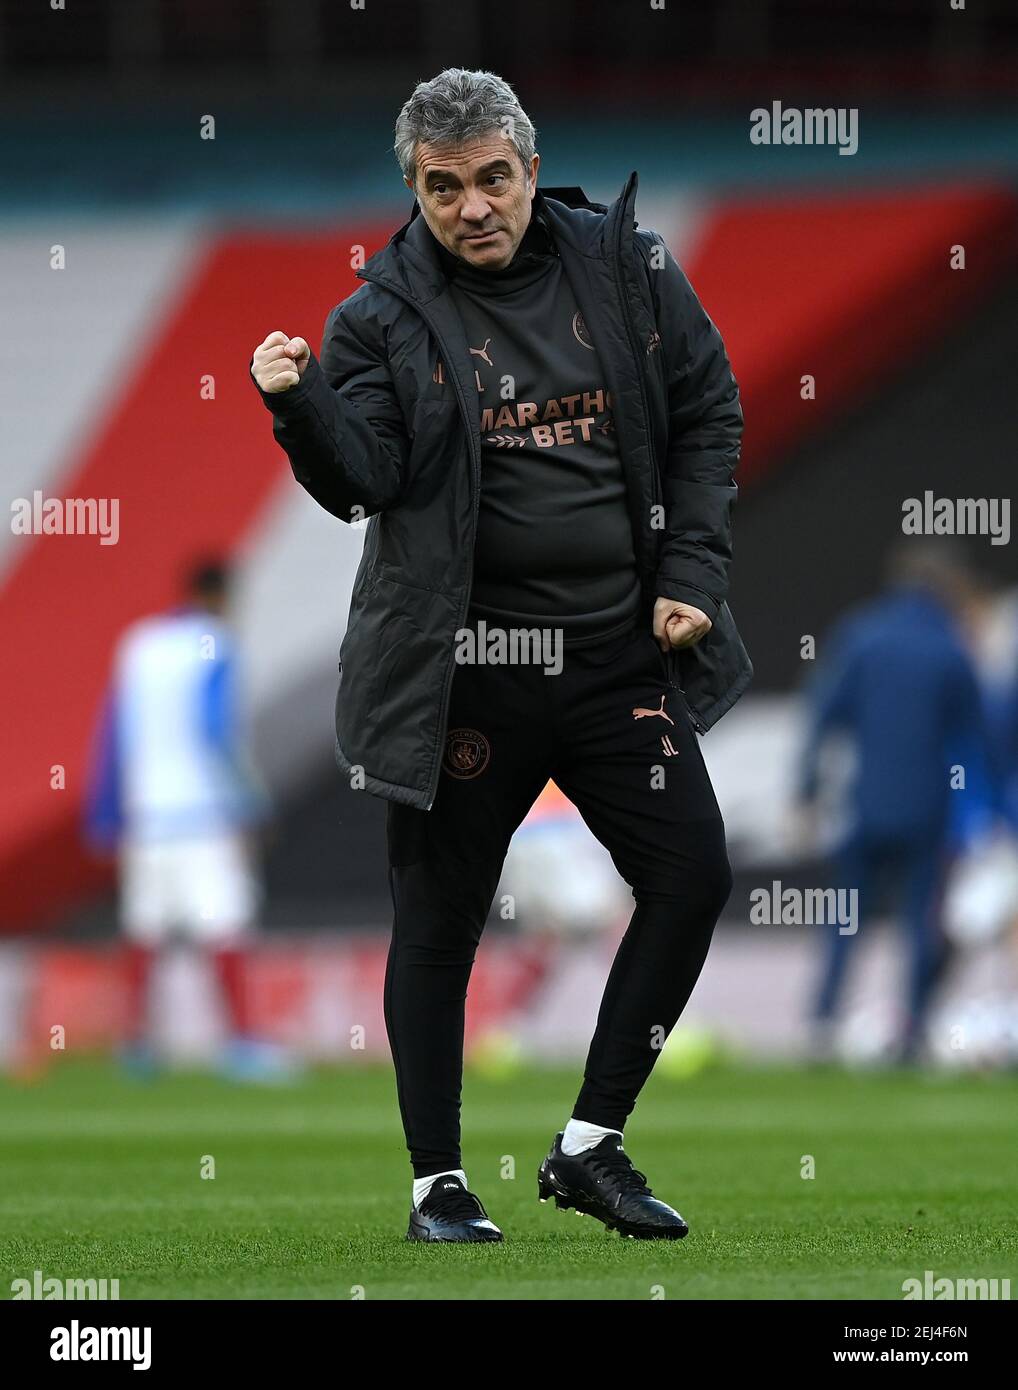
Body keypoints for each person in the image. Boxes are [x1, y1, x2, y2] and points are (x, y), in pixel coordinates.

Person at [250, 68, 750, 1241]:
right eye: (441, 188)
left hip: (615, 656)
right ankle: (438, 1187)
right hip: (461, 668)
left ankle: (590, 1145)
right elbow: (359, 482)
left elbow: (710, 408)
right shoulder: (374, 316)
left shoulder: (629, 268)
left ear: (529, 168)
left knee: (694, 877)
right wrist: (301, 406)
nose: (471, 207)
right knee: (440, 925)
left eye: (490, 180)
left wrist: (691, 577)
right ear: (412, 191)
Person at [797, 540, 991, 1064]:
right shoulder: (951, 646)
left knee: (844, 917)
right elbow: (977, 737)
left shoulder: (860, 634)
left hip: (864, 803)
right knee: (919, 920)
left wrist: (806, 792)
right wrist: (981, 814)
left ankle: (821, 1023)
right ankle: (912, 1030)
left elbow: (822, 717)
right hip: (928, 807)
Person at [84, 560, 279, 1080]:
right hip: (203, 815)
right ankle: (242, 1046)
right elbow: (214, 730)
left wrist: (104, 812)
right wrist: (252, 803)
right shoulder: (216, 642)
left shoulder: (139, 644)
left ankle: (135, 1050)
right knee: (225, 926)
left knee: (144, 931)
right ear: (220, 596)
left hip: (146, 817)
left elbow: (112, 732)